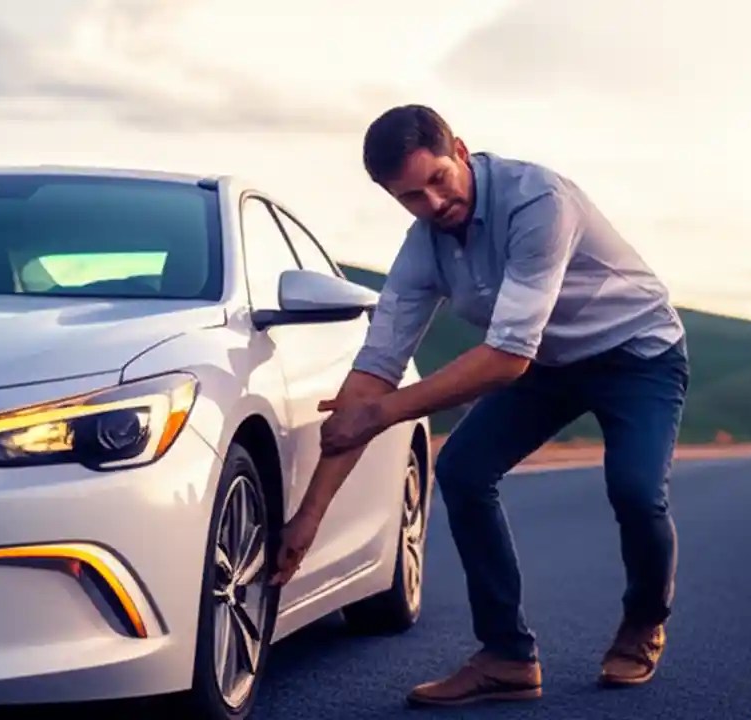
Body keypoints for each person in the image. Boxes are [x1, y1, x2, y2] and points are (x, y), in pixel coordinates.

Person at [269, 104, 689, 707]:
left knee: (634, 489)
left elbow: (505, 358)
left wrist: (388, 413)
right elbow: (372, 376)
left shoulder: (538, 200)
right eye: (412, 197)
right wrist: (308, 518)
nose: (433, 204)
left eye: (439, 179)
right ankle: (507, 658)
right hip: (549, 365)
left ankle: (644, 621)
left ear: (460, 151)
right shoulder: (423, 249)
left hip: (638, 354)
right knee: (463, 471)